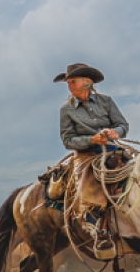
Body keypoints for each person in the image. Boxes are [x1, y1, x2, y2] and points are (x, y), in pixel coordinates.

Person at [54, 63, 129, 258]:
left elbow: (122, 124)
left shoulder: (106, 101)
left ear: (87, 82)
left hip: (113, 149)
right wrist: (91, 140)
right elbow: (67, 140)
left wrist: (115, 132)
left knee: (139, 173)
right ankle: (96, 227)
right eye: (68, 83)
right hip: (86, 154)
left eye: (73, 81)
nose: (69, 86)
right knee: (87, 181)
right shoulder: (67, 110)